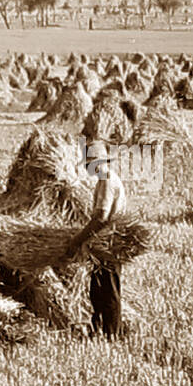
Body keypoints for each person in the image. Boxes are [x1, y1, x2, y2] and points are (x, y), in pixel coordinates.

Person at [70, 142, 128, 339]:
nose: (87, 168)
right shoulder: (108, 179)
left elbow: (101, 217)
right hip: (105, 243)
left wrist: (78, 239)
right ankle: (100, 330)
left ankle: (112, 334)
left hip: (107, 244)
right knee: (98, 290)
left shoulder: (106, 181)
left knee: (108, 291)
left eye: (89, 164)